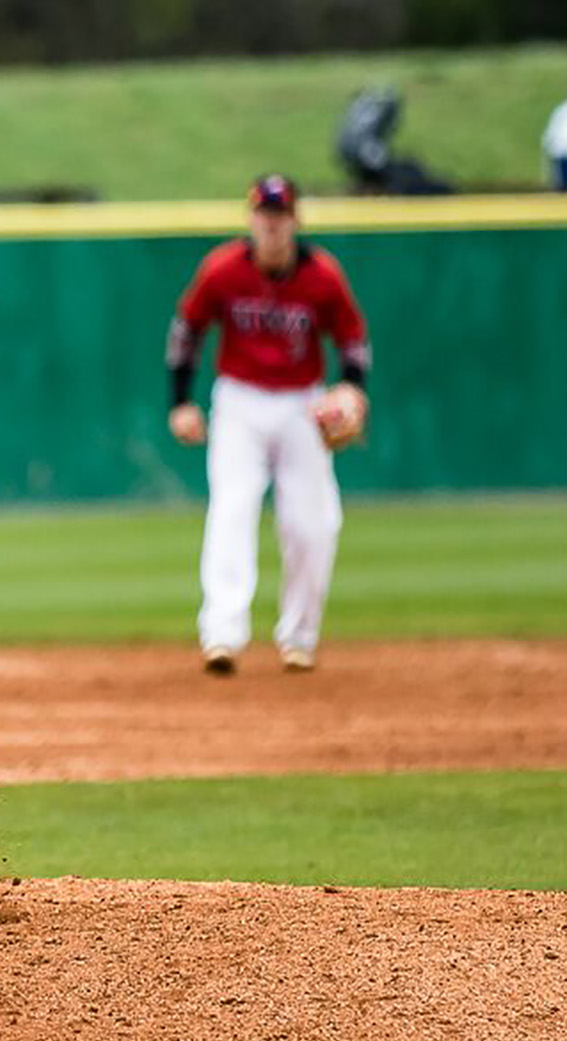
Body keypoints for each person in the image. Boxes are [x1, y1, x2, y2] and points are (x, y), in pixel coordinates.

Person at [166, 174, 371, 675]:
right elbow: (186, 331)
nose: (272, 224)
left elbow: (353, 341)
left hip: (303, 403)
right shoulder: (223, 270)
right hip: (240, 400)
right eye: (264, 214)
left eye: (280, 215)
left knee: (311, 523)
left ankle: (299, 637)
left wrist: (351, 389)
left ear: (295, 220)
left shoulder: (322, 275)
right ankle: (222, 635)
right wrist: (181, 401)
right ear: (251, 218)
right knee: (232, 509)